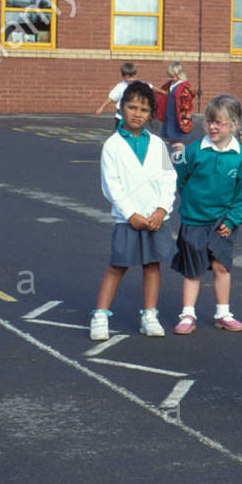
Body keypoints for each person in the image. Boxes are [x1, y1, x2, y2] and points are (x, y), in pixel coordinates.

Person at [89, 81, 177, 342]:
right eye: (132, 107)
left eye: (144, 109)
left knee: (152, 266)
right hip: (128, 220)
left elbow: (168, 178)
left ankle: (149, 315)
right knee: (118, 266)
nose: (137, 113)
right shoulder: (112, 146)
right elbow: (112, 186)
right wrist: (130, 214)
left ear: (151, 113)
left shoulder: (158, 144)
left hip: (155, 219)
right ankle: (101, 315)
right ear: (121, 108)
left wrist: (162, 210)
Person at [171, 94, 242, 335]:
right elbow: (180, 178)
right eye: (209, 121)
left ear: (235, 124)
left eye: (220, 122)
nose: (213, 127)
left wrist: (232, 220)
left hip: (223, 222)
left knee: (221, 267)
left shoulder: (240, 157)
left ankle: (223, 313)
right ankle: (187, 314)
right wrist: (190, 205)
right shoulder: (195, 151)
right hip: (194, 220)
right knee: (193, 269)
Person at [94, 61, 146, 126]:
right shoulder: (120, 86)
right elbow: (111, 98)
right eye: (128, 77)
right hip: (121, 116)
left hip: (133, 116)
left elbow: (151, 87)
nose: (131, 79)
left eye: (133, 77)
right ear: (123, 76)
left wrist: (162, 92)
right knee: (121, 134)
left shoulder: (139, 84)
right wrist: (101, 108)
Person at [157, 61, 194, 148]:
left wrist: (184, 118)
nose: (172, 78)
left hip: (177, 117)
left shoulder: (183, 86)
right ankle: (174, 157)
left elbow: (186, 104)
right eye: (171, 76)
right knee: (170, 138)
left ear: (180, 74)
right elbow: (165, 93)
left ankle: (180, 158)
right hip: (170, 115)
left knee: (178, 139)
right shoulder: (172, 84)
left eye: (174, 76)